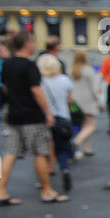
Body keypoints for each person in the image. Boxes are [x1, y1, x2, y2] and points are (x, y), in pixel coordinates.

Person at [0, 31, 65, 204]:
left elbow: (4, 88)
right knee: (40, 152)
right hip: (32, 115)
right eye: (32, 42)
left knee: (10, 152)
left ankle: (0, 190)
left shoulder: (7, 64)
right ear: (26, 44)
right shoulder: (29, 65)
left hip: (14, 114)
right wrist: (48, 112)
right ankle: (47, 190)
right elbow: (36, 90)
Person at [38, 54, 75, 192]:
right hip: (63, 118)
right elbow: (70, 101)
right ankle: (64, 168)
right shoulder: (65, 80)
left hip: (45, 118)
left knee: (44, 150)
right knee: (62, 148)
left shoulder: (40, 82)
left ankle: (46, 175)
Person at [70, 50, 105, 160]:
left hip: (76, 102)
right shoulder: (88, 70)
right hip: (88, 101)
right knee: (91, 126)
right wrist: (100, 103)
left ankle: (87, 148)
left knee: (83, 126)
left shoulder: (72, 70)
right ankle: (76, 142)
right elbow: (94, 89)